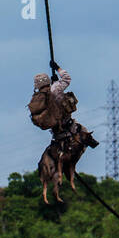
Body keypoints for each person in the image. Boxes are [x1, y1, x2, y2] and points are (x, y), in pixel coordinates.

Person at [28, 66, 99, 202]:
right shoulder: (55, 88)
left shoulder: (38, 99)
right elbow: (67, 79)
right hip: (69, 128)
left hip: (56, 134)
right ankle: (77, 156)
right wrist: (58, 68)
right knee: (84, 133)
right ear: (48, 81)